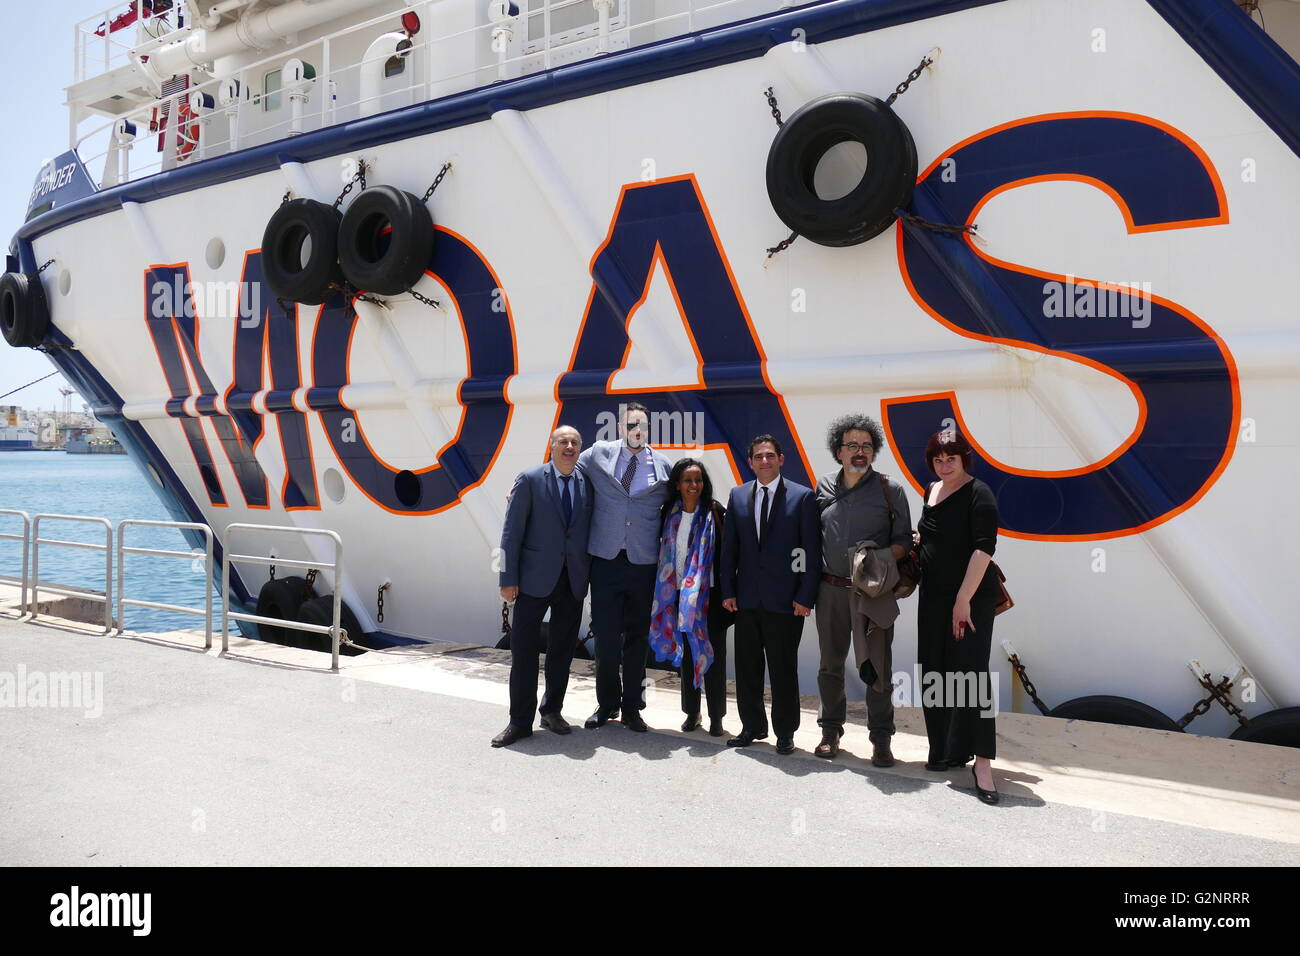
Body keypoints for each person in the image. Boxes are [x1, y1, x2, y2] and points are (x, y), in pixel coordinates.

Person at [813, 414, 913, 767]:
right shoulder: (822, 486)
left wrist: (881, 559)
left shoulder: (891, 490)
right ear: (838, 451)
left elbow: (904, 540)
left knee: (878, 668)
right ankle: (830, 732)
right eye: (852, 445)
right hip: (830, 591)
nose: (860, 452)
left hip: (873, 594)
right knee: (830, 666)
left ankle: (881, 740)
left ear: (874, 452)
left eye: (867, 446)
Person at [492, 426, 595, 747]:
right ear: (551, 447)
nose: (569, 446)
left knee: (562, 651)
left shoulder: (587, 484)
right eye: (563, 442)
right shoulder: (530, 479)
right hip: (533, 580)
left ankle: (551, 711)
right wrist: (507, 579)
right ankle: (519, 722)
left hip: (572, 581)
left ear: (580, 449)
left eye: (574, 443)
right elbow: (511, 533)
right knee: (523, 652)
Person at [718, 435, 821, 754]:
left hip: (786, 602)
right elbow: (729, 550)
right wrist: (728, 590)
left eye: (770, 456)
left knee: (782, 669)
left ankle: (785, 732)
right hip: (746, 600)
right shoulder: (737, 496)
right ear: (750, 462)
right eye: (758, 457)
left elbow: (809, 552)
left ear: (781, 459)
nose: (765, 461)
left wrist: (805, 595)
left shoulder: (802, 497)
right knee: (747, 668)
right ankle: (752, 726)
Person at [915, 429, 1002, 804]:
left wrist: (963, 599)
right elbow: (936, 536)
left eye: (951, 457)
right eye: (938, 458)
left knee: (970, 674)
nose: (944, 464)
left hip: (968, 599)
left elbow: (983, 550)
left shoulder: (979, 493)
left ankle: (982, 763)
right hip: (932, 598)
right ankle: (947, 750)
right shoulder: (930, 491)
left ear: (964, 458)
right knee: (936, 670)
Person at [577, 402, 671, 732]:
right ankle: (606, 705)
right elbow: (565, 469)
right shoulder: (597, 454)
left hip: (644, 563)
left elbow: (679, 505)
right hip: (605, 560)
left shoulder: (662, 466)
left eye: (642, 425)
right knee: (604, 636)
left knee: (636, 637)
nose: (637, 430)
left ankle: (632, 706)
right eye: (631, 424)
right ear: (620, 427)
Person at [649, 458, 734, 737]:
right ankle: (691, 712)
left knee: (712, 657)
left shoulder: (716, 512)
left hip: (709, 599)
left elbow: (730, 556)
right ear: (677, 484)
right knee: (688, 658)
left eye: (698, 480)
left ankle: (717, 717)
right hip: (675, 598)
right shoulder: (667, 513)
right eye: (687, 480)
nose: (693, 485)